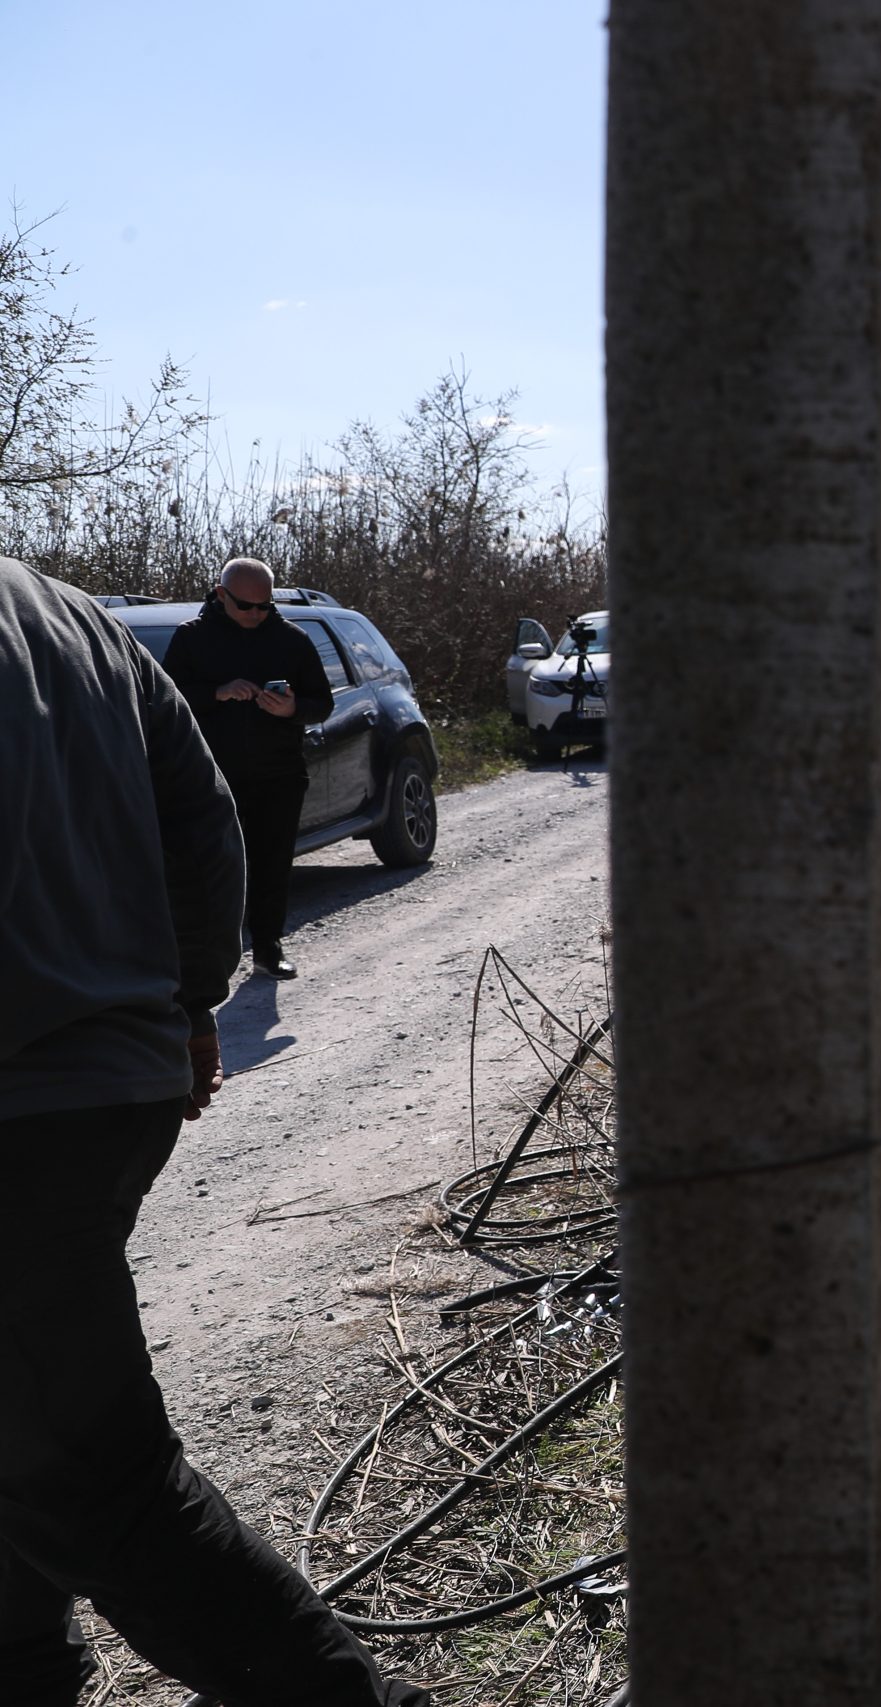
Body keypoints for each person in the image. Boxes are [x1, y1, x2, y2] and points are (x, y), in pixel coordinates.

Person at [0, 557, 425, 1705]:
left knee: (95, 1480)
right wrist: (189, 1005)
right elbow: (203, 817)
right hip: (110, 1087)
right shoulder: (67, 613)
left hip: (23, 1111)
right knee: (27, 1419)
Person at [161, 557, 332, 978]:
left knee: (272, 863)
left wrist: (292, 707)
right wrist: (217, 693)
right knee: (211, 868)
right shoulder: (191, 638)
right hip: (211, 775)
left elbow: (321, 703)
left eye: (264, 606)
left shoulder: (291, 639)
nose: (256, 614)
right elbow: (166, 698)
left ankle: (268, 948)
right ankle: (206, 960)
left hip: (279, 772)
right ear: (221, 595)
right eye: (246, 606)